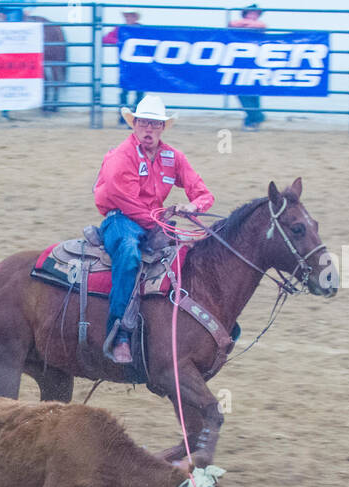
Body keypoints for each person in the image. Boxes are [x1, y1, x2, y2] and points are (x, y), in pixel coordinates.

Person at [92, 94, 213, 365]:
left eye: (155, 124)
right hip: (120, 219)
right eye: (144, 123)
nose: (149, 129)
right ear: (134, 124)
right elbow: (126, 201)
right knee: (129, 253)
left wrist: (193, 207)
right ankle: (119, 330)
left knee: (190, 259)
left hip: (154, 220)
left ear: (162, 128)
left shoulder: (173, 157)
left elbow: (203, 193)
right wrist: (160, 222)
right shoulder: (121, 156)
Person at [229, 4, 267, 131]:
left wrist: (246, 24)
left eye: (256, 13)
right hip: (238, 62)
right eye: (251, 13)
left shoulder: (260, 26)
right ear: (245, 13)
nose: (254, 15)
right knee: (241, 92)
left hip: (254, 63)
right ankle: (257, 118)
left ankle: (251, 121)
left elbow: (261, 26)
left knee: (254, 93)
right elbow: (232, 24)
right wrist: (247, 24)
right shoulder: (236, 24)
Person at [103, 11, 142, 125]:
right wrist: (121, 42)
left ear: (135, 17)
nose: (128, 18)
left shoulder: (142, 29)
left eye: (131, 16)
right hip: (129, 66)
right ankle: (124, 116)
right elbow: (106, 39)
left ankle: (136, 116)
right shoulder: (121, 29)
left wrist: (122, 42)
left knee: (138, 92)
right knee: (125, 91)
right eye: (127, 16)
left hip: (140, 66)